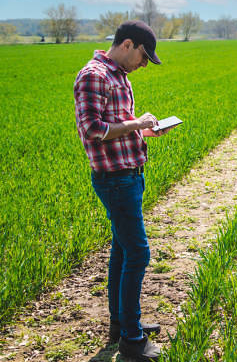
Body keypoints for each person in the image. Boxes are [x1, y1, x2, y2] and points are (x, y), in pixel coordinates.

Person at [74, 20, 173, 361]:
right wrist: (138, 123)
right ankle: (132, 340)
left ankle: (121, 323)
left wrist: (144, 132)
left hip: (130, 174)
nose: (144, 64)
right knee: (138, 253)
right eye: (144, 56)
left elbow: (115, 130)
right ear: (128, 44)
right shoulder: (94, 75)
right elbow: (92, 130)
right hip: (115, 179)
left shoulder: (119, 76)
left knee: (122, 249)